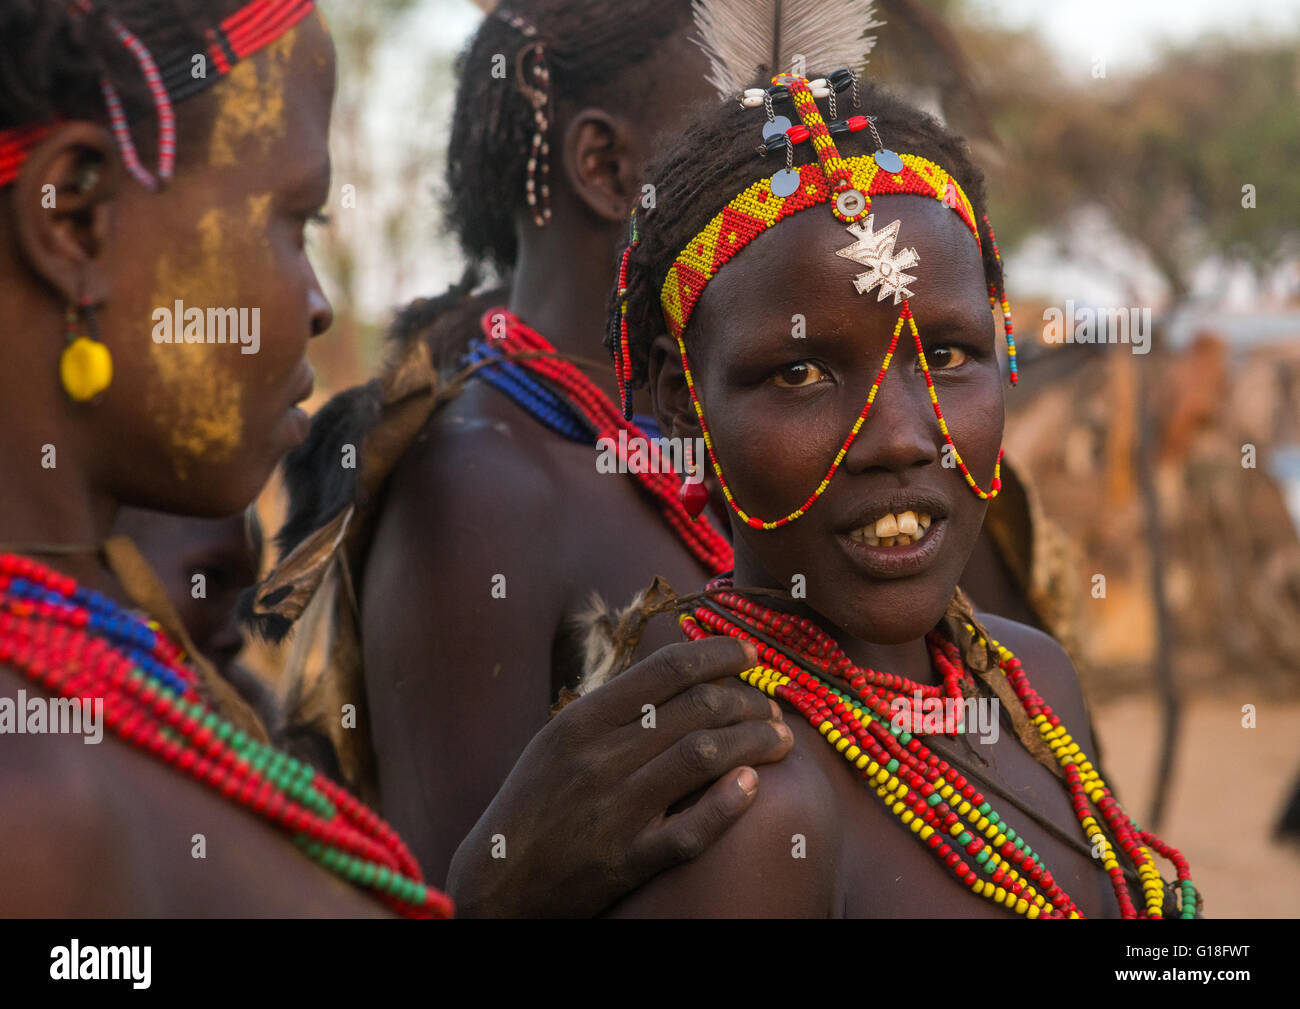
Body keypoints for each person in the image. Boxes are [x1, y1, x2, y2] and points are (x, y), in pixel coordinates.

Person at [0, 0, 791, 917]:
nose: (318, 301)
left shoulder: (99, 676)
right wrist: (504, 885)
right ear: (77, 221)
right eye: (294, 221)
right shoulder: (33, 810)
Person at [590, 65, 1199, 917]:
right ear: (680, 397)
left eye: (947, 355)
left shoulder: (1030, 679)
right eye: (801, 371)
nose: (903, 436)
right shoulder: (747, 802)